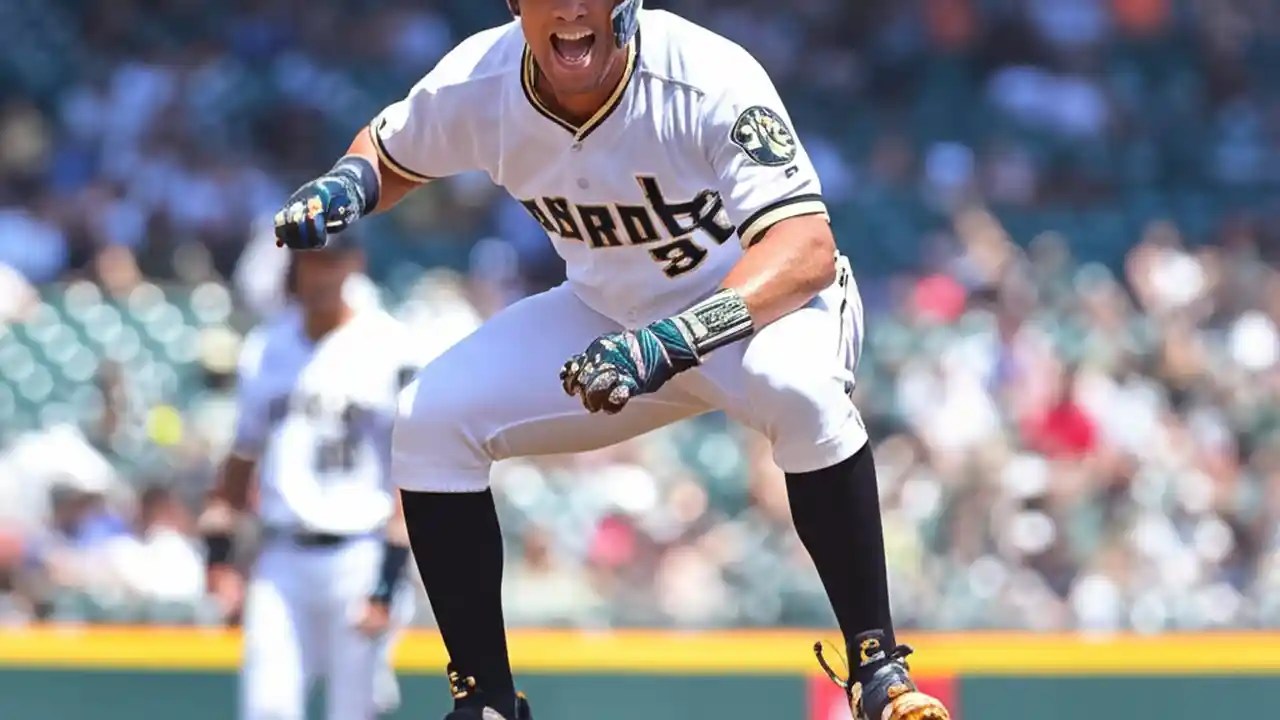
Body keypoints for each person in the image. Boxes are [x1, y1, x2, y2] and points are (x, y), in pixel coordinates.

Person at [272, 2, 952, 719]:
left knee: (799, 388)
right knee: (430, 419)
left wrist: (672, 341)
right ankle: (487, 700)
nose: (571, 8)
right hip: (608, 313)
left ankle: (876, 668)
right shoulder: (482, 77)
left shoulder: (704, 74)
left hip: (755, 313)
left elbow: (805, 249)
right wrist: (347, 184)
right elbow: (389, 149)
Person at [201, 236, 418, 720]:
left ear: (354, 263)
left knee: (353, 711)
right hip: (282, 555)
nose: (318, 274)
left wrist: (390, 578)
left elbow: (411, 466)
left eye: (329, 260)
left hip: (360, 551)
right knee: (267, 708)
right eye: (308, 261)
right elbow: (241, 455)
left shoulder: (389, 346)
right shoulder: (266, 346)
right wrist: (219, 557)